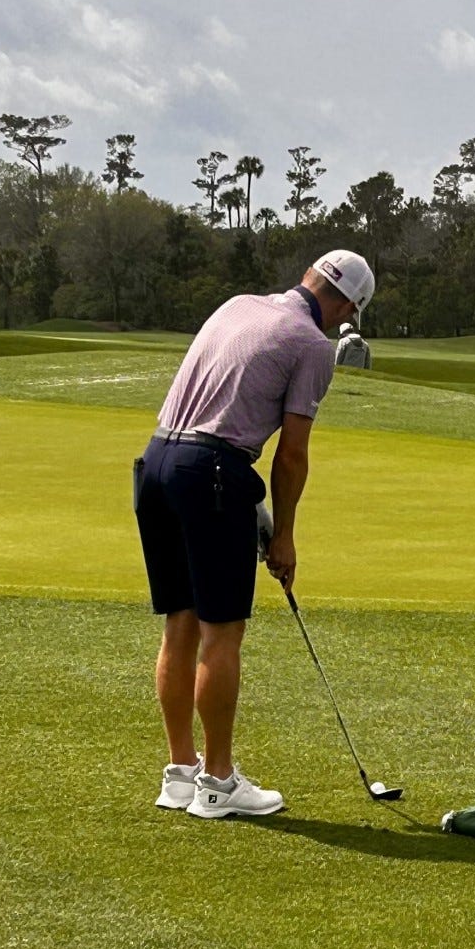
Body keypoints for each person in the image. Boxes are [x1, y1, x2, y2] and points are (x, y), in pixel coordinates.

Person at [133, 249, 375, 819]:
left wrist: (249, 505)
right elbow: (291, 455)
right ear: (344, 303)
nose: (343, 325)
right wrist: (284, 534)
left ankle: (180, 774)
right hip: (211, 474)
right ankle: (217, 783)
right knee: (222, 631)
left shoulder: (238, 304)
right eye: (348, 316)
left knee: (181, 623)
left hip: (157, 464)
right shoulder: (314, 345)